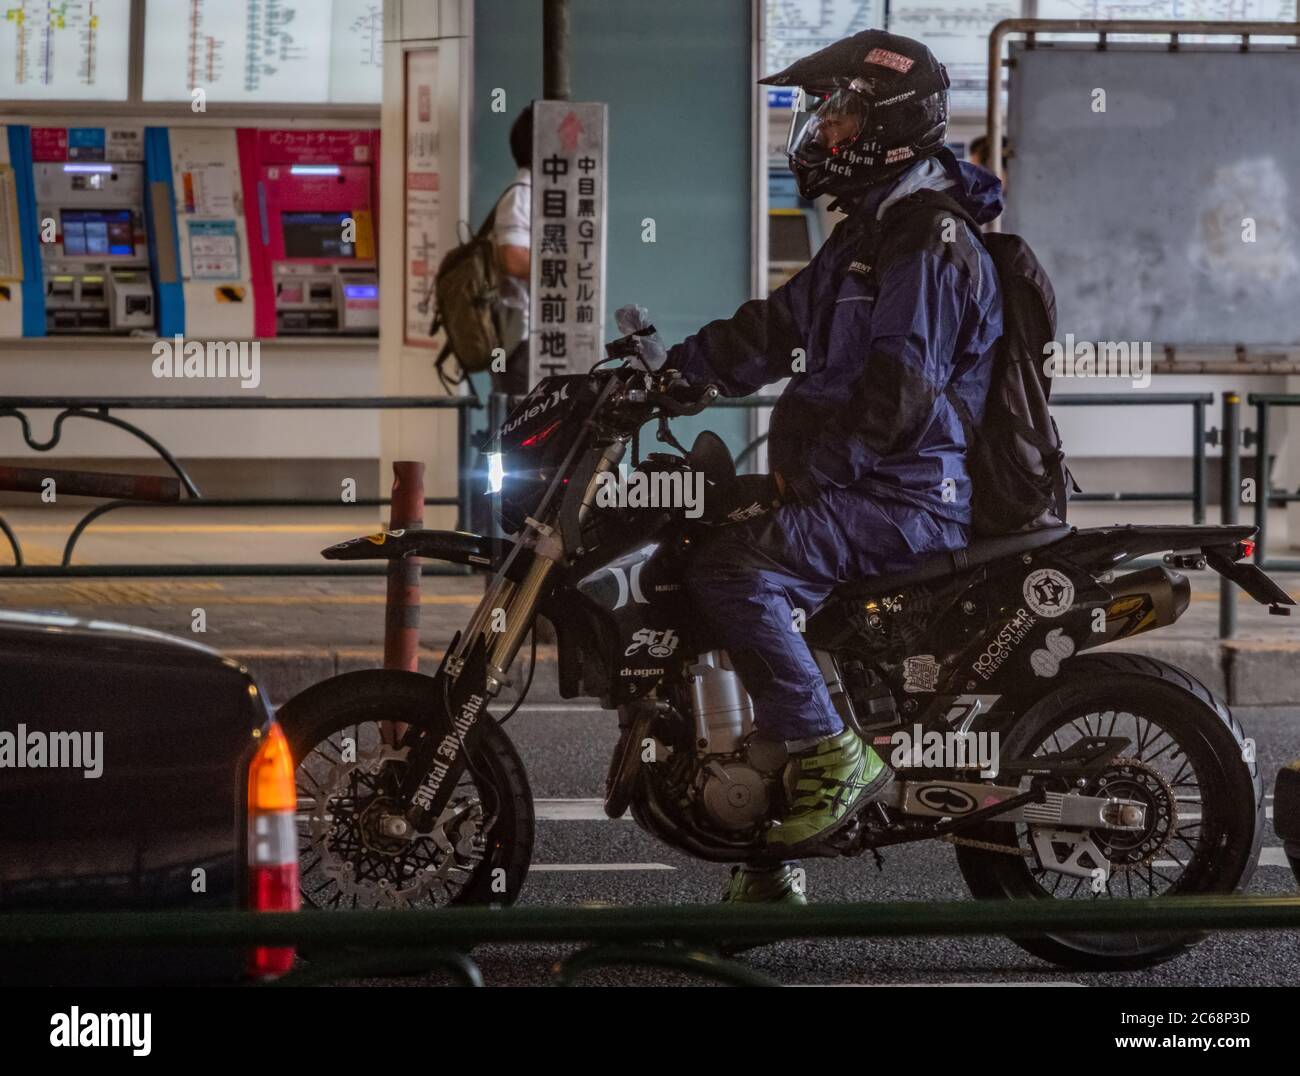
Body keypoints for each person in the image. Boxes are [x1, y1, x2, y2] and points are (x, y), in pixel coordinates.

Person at [634, 30, 1005, 902]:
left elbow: (900, 392)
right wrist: (671, 378)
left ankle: (834, 755)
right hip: (863, 484)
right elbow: (775, 329)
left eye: (839, 112)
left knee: (737, 564)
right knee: (712, 552)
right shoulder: (871, 236)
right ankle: (765, 849)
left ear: (890, 123)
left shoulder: (930, 241)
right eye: (824, 115)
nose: (823, 132)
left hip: (907, 496)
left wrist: (807, 476)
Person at [491, 105, 534, 398]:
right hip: (522, 340)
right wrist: (566, 268)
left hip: (536, 338)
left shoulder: (538, 192)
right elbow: (512, 257)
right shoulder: (521, 194)